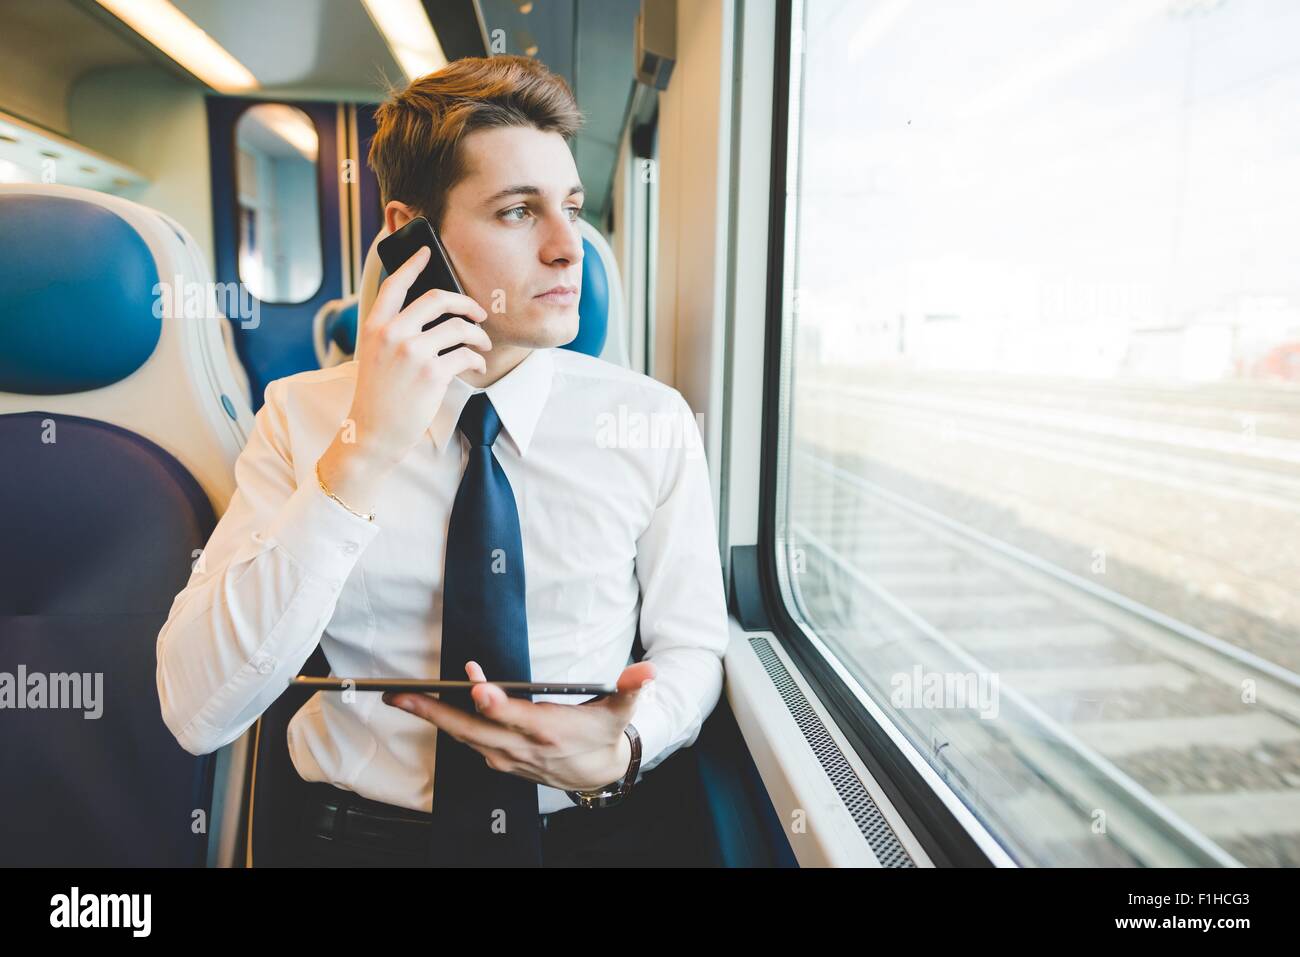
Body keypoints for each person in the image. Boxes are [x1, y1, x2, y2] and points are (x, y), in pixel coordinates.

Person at [154, 54, 730, 867]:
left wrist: (626, 746)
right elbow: (196, 710)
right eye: (517, 211)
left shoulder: (649, 419)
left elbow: (692, 647)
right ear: (407, 235)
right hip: (357, 840)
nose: (570, 249)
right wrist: (363, 454)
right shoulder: (301, 413)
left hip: (592, 831)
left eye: (570, 205)